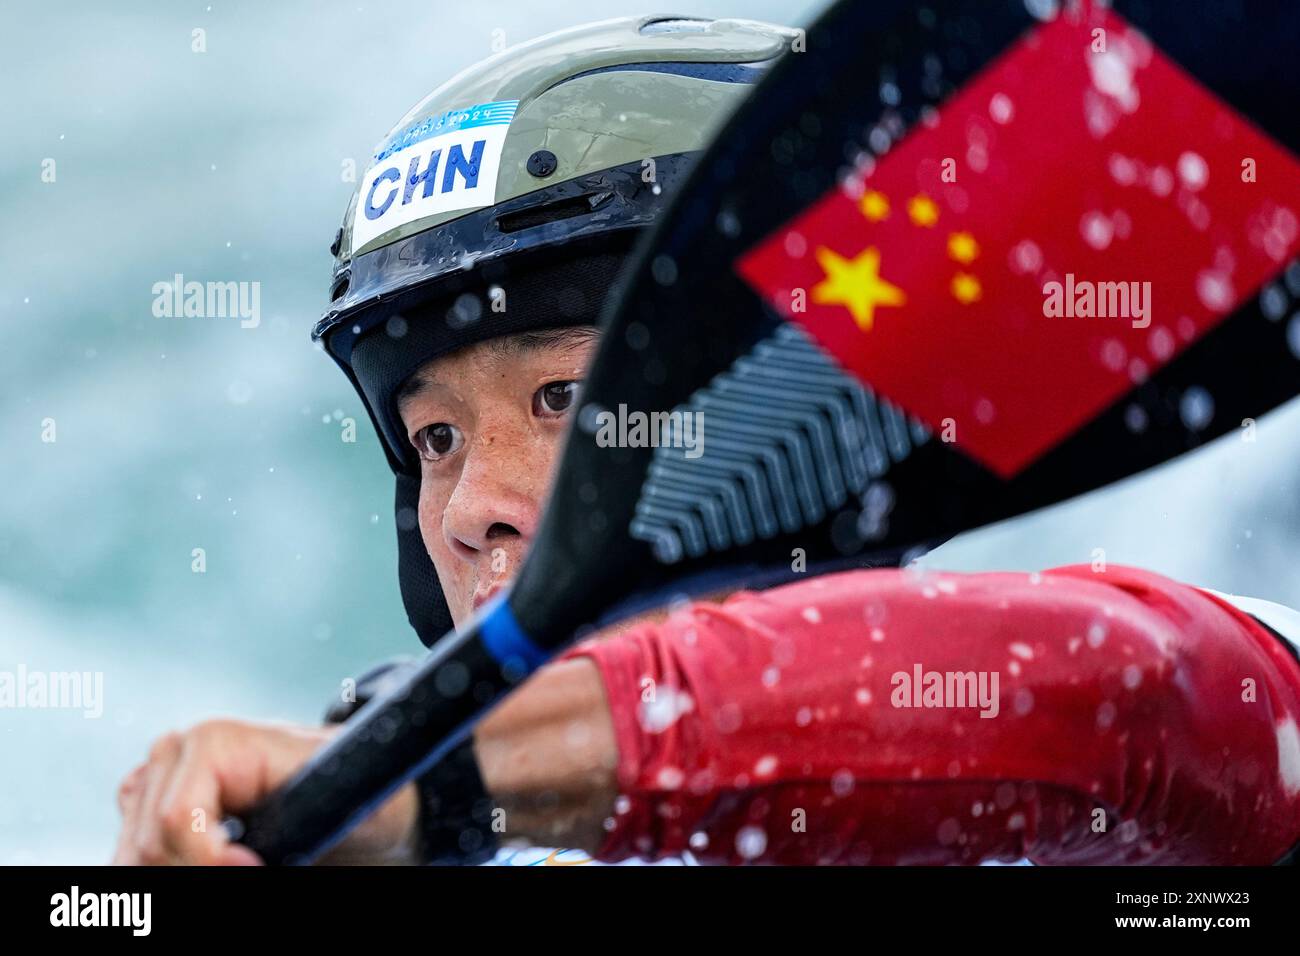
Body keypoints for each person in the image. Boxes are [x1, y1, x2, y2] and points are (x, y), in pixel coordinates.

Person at [112, 14, 1300, 867]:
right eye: (432, 436)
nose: (470, 500)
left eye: (565, 397)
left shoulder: (1074, 766)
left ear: (811, 421)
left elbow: (1143, 707)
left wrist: (465, 780)